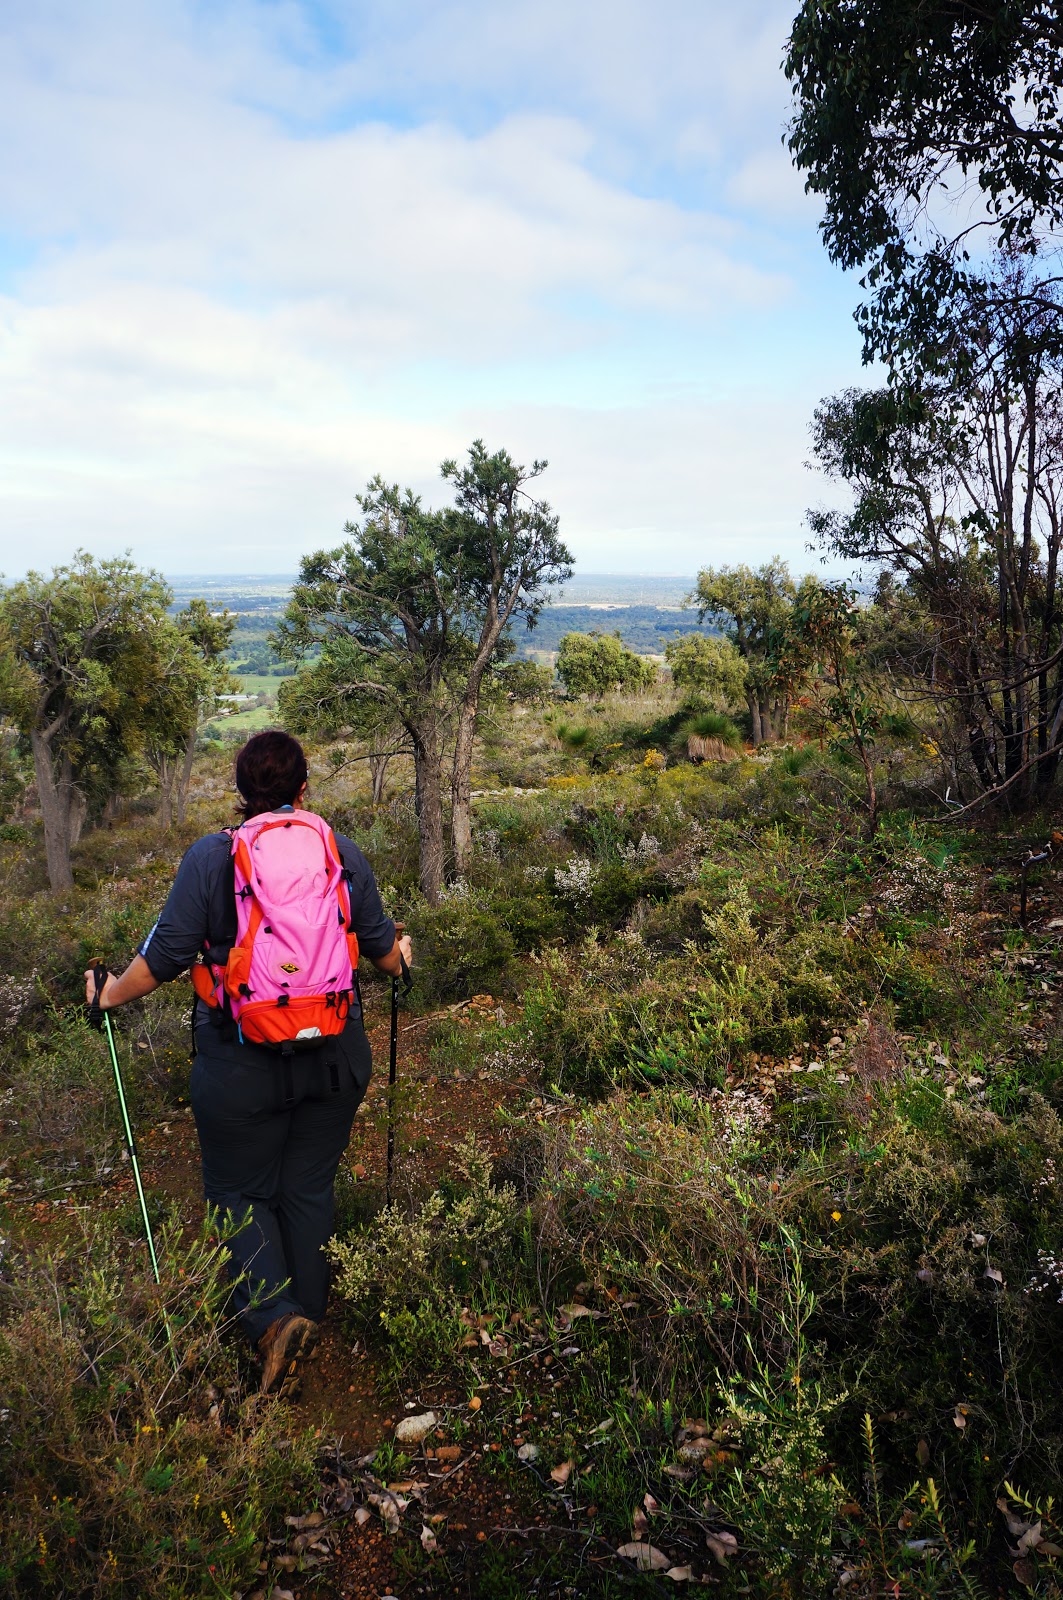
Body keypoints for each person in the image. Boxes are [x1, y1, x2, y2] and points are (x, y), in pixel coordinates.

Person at [84, 730, 412, 1397]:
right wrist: (402, 956)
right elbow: (381, 951)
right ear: (303, 786)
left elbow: (169, 954)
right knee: (307, 1189)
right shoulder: (339, 850)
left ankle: (273, 1321)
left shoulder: (212, 858)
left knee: (239, 1192)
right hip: (334, 1055)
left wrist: (107, 995)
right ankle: (308, 1317)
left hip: (240, 1062)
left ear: (240, 792)